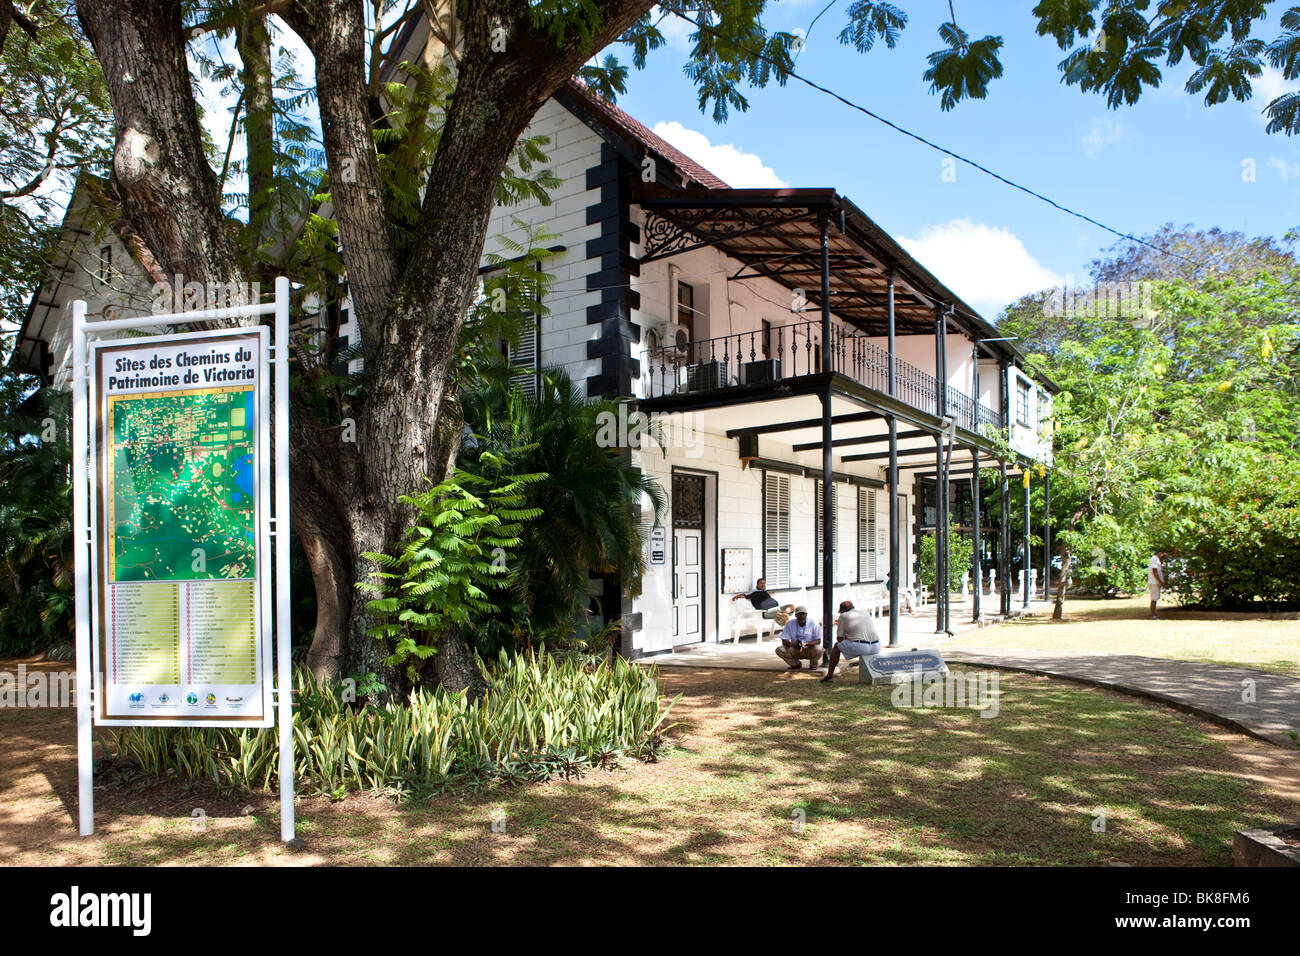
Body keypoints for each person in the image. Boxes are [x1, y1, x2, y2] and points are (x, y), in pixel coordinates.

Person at [820, 600, 881, 683]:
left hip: (861, 647)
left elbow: (839, 639)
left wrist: (847, 638)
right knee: (854, 643)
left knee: (836, 646)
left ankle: (830, 675)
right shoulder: (865, 612)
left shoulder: (843, 616)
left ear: (842, 610)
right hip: (876, 646)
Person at [775, 605, 822, 670]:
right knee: (780, 650)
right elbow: (784, 640)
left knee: (819, 649)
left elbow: (818, 640)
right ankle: (796, 664)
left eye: (803, 614)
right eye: (799, 614)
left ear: (806, 615)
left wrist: (806, 644)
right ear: (796, 615)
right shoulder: (790, 623)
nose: (801, 616)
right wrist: (793, 643)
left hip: (809, 649)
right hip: (795, 649)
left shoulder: (813, 623)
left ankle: (813, 663)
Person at [1148, 550, 1167, 619]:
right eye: (1163, 555)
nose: (1164, 557)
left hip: (1156, 582)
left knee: (1155, 598)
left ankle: (1154, 614)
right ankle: (1153, 615)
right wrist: (1160, 582)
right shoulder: (1154, 559)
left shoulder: (1158, 560)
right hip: (1154, 582)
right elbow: (1154, 572)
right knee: (1154, 598)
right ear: (1160, 553)